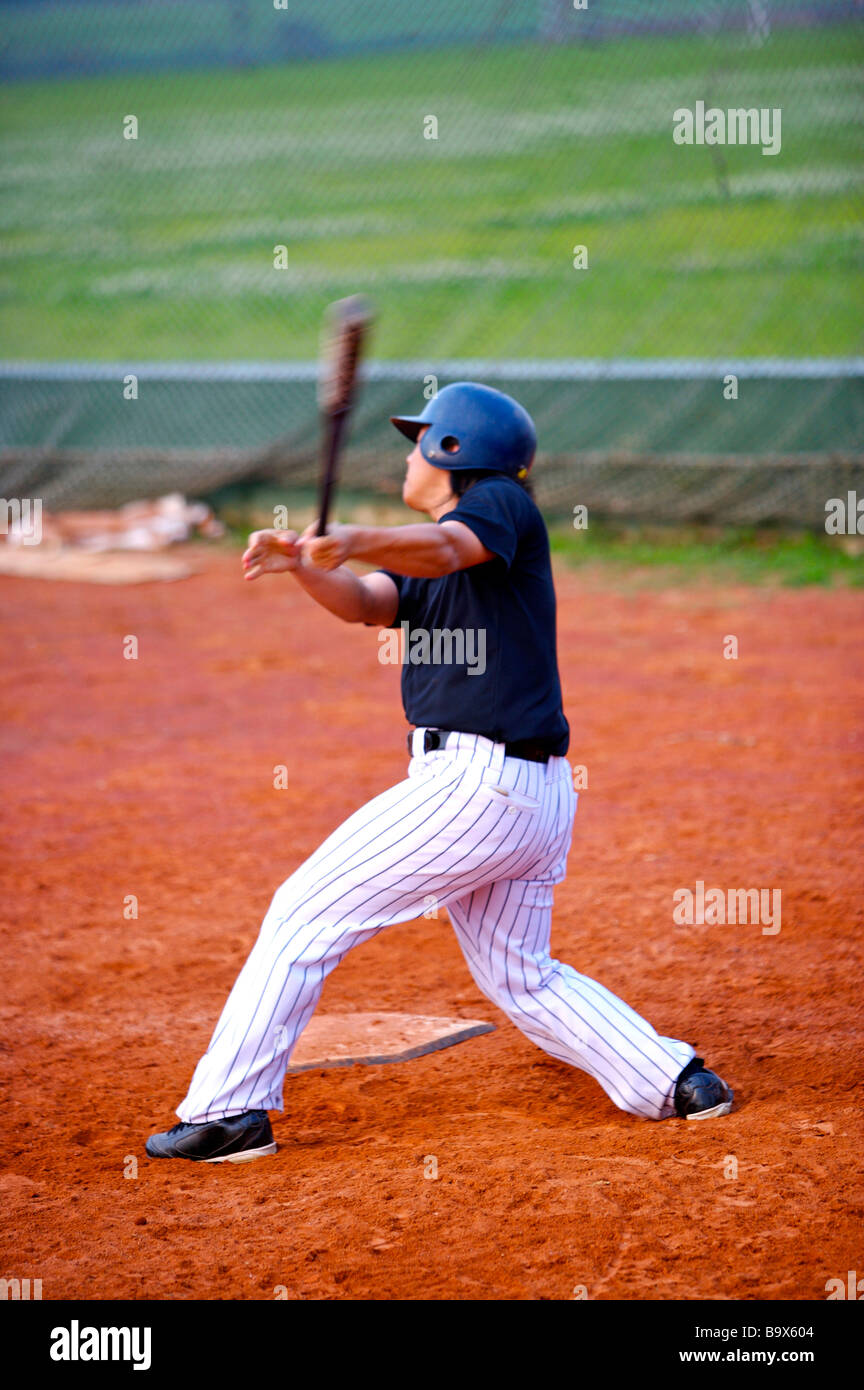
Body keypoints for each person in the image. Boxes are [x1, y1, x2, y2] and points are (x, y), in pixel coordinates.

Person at [146, 382, 733, 1163]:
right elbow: (365, 603)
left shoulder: (498, 507)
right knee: (521, 976)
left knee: (301, 915)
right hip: (525, 795)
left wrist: (351, 534)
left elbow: (448, 548)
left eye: (418, 442)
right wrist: (303, 566)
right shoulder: (430, 553)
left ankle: (230, 1112)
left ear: (456, 451)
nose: (407, 456)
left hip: (473, 788)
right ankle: (674, 1080)